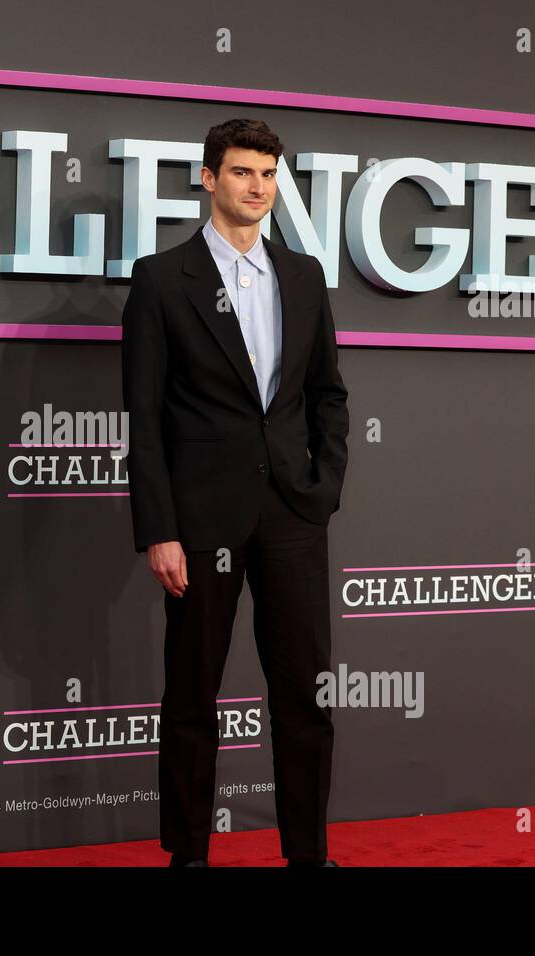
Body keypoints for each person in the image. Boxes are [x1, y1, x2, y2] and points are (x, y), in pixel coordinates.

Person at [120, 118, 349, 868]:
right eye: (244, 173)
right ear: (208, 178)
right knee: (192, 699)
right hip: (200, 524)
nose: (259, 188)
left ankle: (308, 854)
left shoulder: (306, 276)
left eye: (269, 175)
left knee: (305, 699)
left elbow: (327, 396)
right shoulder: (161, 280)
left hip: (291, 515)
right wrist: (159, 528)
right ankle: (188, 855)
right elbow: (144, 418)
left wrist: (323, 486)